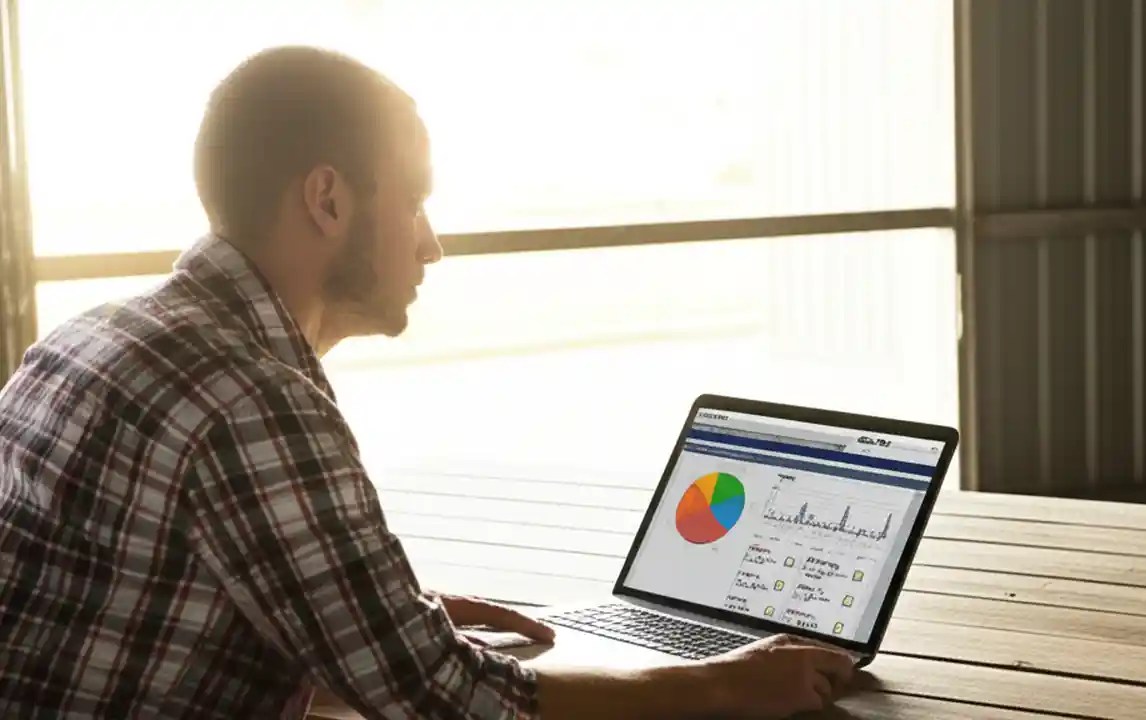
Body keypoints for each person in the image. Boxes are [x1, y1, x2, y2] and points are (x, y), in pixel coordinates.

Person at [0, 46, 858, 719]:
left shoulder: (92, 336)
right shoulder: (253, 401)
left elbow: (138, 596)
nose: (430, 245)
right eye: (413, 201)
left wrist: (384, 615)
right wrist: (724, 684)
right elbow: (446, 703)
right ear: (328, 200)